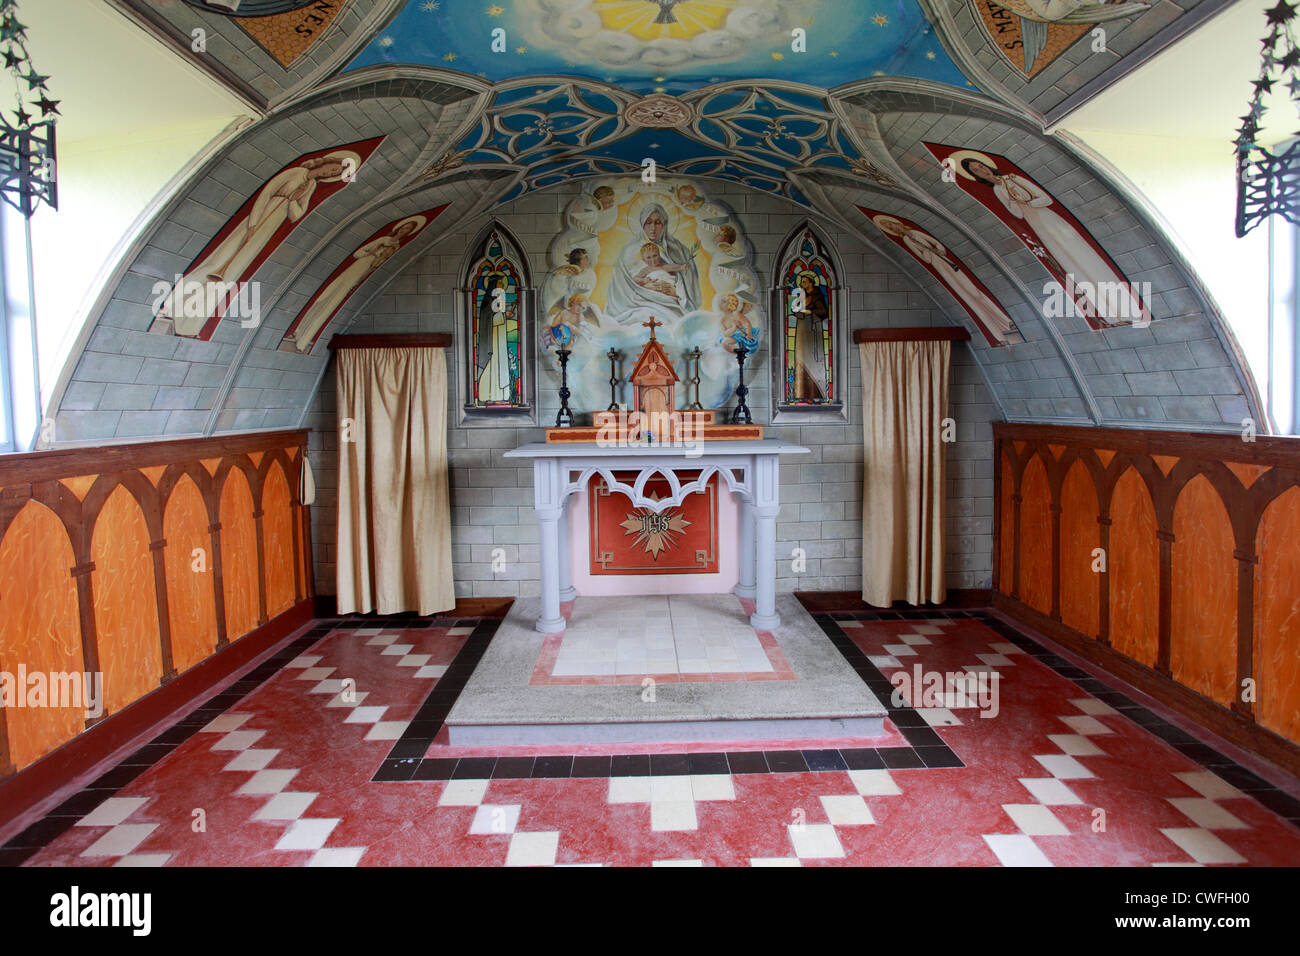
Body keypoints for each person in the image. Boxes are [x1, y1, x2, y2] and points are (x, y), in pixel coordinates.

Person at [160, 150, 360, 336]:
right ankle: (168, 306)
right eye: (333, 167)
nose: (331, 172)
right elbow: (266, 193)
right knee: (216, 262)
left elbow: (297, 214)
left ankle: (190, 324)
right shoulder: (297, 172)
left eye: (335, 172)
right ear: (326, 163)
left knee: (230, 274)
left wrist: (293, 200)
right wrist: (253, 223)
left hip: (271, 226)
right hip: (257, 219)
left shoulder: (311, 186)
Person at [961, 156, 1147, 326]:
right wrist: (1014, 202)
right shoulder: (997, 189)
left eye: (981, 165)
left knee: (1088, 261)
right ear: (975, 176)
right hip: (1037, 225)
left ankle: (1130, 311)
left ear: (987, 165)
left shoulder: (1013, 178)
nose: (982, 170)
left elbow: (1045, 198)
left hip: (1050, 220)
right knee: (1073, 268)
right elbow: (1016, 214)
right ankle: (1112, 317)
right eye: (976, 170)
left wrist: (1029, 202)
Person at [873, 215, 1023, 346]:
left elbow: (937, 244)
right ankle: (998, 334)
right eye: (890, 227)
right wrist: (928, 252)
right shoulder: (907, 240)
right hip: (939, 266)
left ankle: (1006, 321)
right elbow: (924, 258)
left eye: (893, 224)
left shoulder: (913, 233)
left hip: (946, 262)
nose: (894, 227)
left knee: (974, 292)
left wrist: (938, 250)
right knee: (968, 299)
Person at [290, 216, 424, 351]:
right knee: (326, 297)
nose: (403, 230)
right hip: (357, 267)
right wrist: (371, 253)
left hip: (364, 272)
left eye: (407, 229)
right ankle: (299, 331)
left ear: (409, 232)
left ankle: (305, 339)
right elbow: (357, 253)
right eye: (403, 227)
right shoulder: (383, 240)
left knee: (334, 303)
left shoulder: (396, 247)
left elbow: (379, 266)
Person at [606, 203, 700, 323]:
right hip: (638, 304)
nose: (653, 228)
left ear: (664, 224)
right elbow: (621, 288)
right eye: (648, 222)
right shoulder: (628, 251)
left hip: (672, 302)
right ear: (642, 224)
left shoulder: (678, 249)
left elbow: (689, 282)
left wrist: (676, 292)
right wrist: (647, 286)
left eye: (657, 222)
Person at [476, 275, 516, 403]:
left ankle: (501, 396)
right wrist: (504, 315)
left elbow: (499, 316)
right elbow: (491, 319)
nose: (502, 287)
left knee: (501, 365)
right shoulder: (488, 301)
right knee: (494, 364)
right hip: (493, 339)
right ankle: (490, 394)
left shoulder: (499, 299)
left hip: (500, 337)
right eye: (500, 284)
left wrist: (507, 314)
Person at [790, 271, 829, 401]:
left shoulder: (817, 295)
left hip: (812, 329)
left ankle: (815, 395)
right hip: (801, 328)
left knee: (812, 357)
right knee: (800, 356)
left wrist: (810, 312)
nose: (802, 284)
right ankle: (801, 394)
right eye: (801, 282)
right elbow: (795, 308)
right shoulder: (803, 295)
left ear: (811, 283)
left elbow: (823, 311)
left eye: (804, 281)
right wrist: (799, 310)